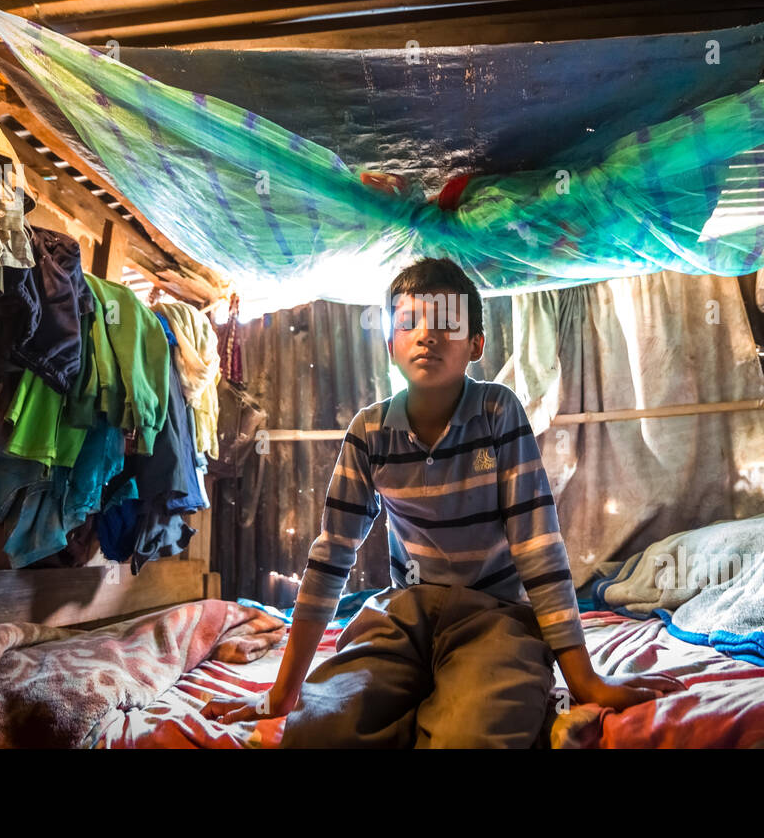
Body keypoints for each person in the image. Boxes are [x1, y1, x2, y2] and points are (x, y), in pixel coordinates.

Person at [202, 257, 684, 746]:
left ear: (475, 345)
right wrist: (284, 693)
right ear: (391, 345)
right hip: (403, 614)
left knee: (474, 732)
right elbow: (331, 557)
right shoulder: (369, 432)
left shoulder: (498, 413)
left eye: (446, 322)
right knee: (326, 726)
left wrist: (583, 679)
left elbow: (537, 546)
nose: (426, 335)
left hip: (494, 616)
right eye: (408, 323)